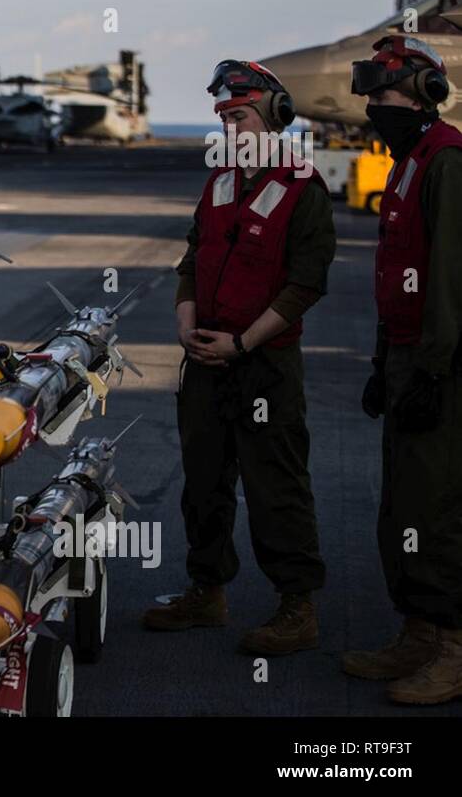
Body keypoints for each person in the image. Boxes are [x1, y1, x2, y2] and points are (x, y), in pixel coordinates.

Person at [143, 60, 335, 657]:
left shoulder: (304, 187)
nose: (230, 127)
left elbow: (305, 285)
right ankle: (208, 592)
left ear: (275, 115)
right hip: (205, 357)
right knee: (203, 483)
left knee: (276, 486)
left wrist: (243, 342)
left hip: (262, 367)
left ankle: (297, 606)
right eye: (224, 117)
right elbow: (193, 258)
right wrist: (185, 317)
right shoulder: (221, 180)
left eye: (241, 115)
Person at [343, 35, 462, 705]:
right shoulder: (407, 162)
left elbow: (449, 283)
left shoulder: (446, 161)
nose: (373, 108)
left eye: (383, 96)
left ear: (424, 96)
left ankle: (454, 647)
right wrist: (384, 363)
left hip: (441, 364)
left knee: (440, 509)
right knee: (403, 506)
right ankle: (418, 633)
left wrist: (434, 375)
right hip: (409, 359)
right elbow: (399, 275)